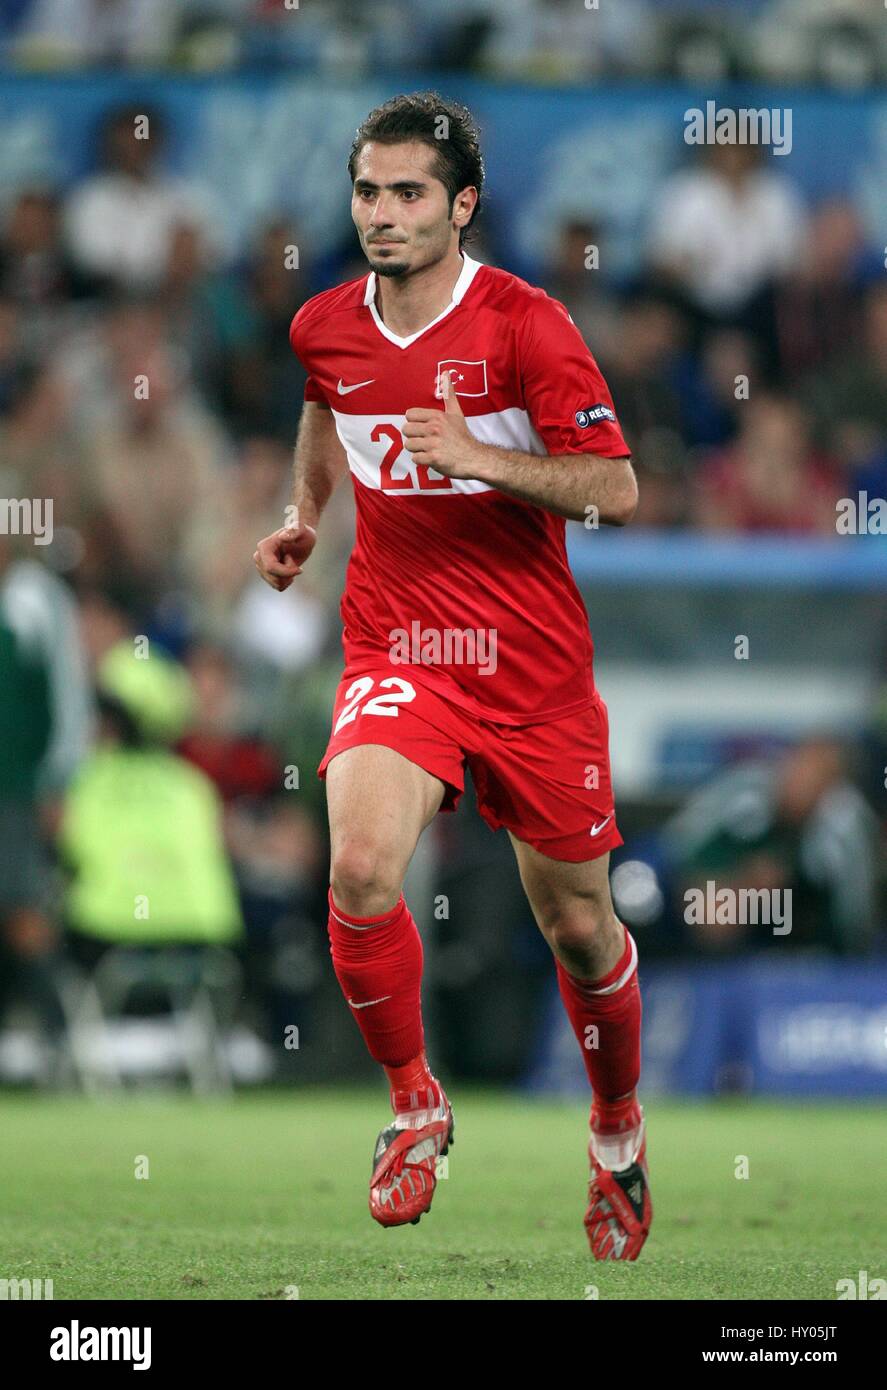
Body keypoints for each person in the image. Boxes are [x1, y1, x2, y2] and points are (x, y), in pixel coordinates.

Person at [253, 92, 647, 1260]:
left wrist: (476, 454)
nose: (382, 213)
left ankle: (616, 1130)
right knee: (365, 864)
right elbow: (329, 410)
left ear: (461, 204)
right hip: (398, 646)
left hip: (529, 669)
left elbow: (615, 489)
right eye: (367, 192)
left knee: (578, 927)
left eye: (408, 193)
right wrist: (304, 511)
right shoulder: (322, 324)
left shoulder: (525, 327)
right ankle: (414, 1102)